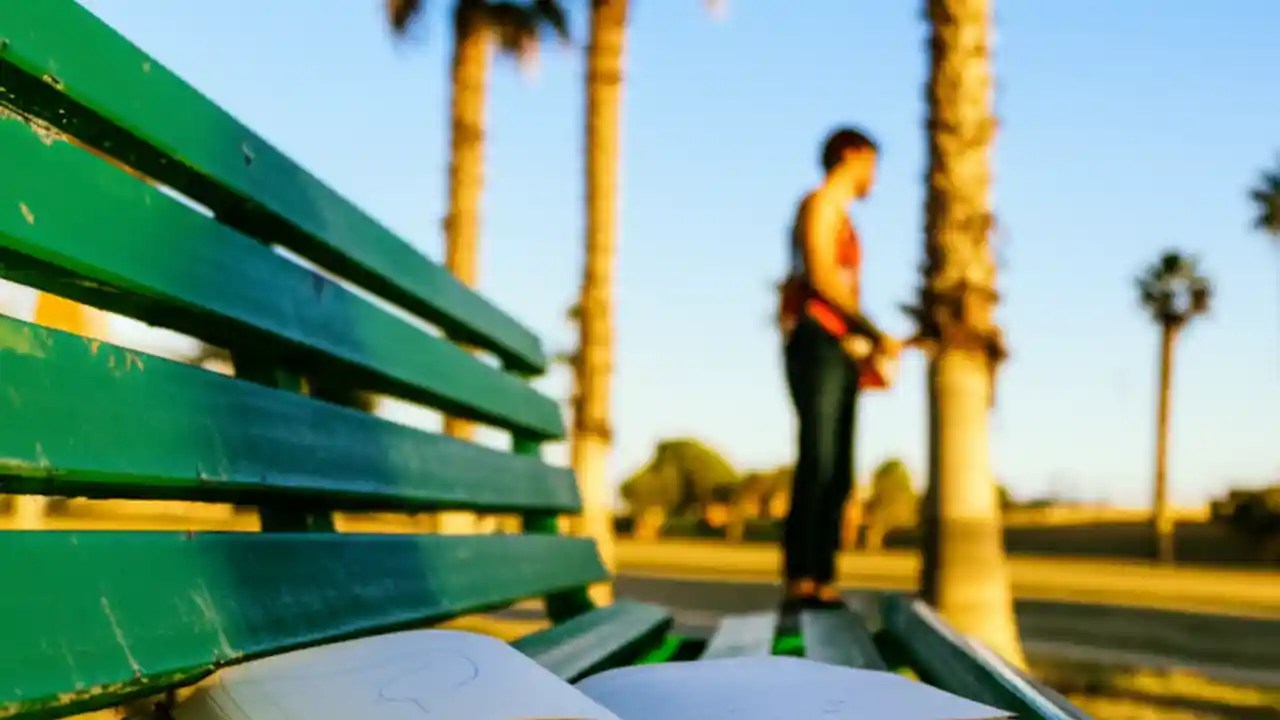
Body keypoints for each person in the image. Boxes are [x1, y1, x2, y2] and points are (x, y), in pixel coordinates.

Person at [777, 127, 901, 609]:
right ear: (850, 156)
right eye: (871, 163)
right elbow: (822, 278)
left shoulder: (846, 218)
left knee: (840, 468)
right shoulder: (821, 203)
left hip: (840, 347)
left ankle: (823, 576)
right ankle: (801, 579)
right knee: (820, 458)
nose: (874, 175)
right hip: (817, 342)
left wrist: (863, 345)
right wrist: (871, 329)